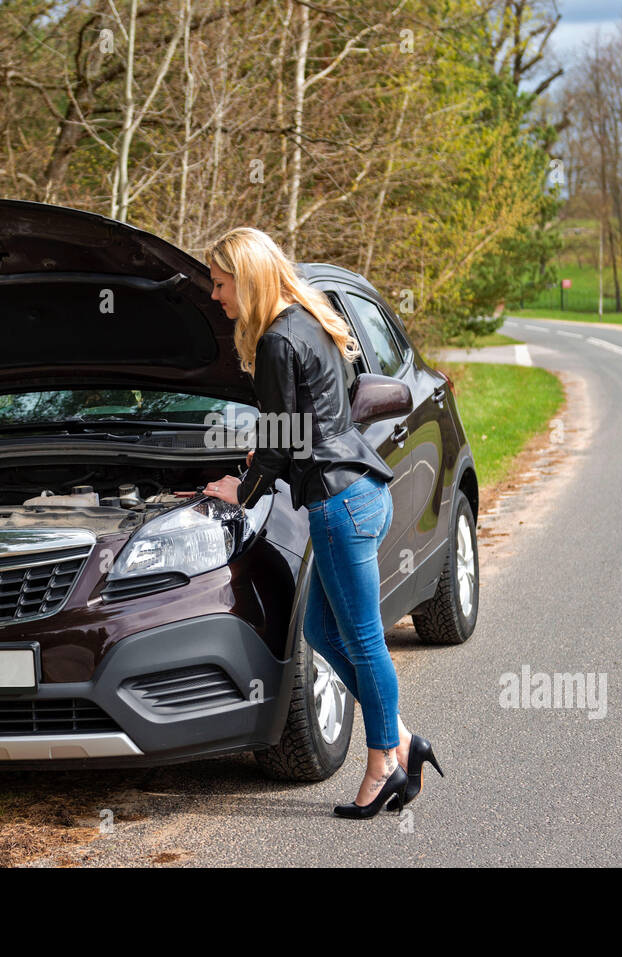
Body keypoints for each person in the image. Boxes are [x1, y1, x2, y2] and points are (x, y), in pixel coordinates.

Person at [200, 226, 443, 819]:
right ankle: (404, 741)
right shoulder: (311, 318)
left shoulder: (281, 341)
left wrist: (242, 486)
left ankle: (383, 760)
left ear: (247, 278)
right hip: (360, 490)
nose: (214, 295)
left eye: (220, 282)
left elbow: (286, 445)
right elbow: (318, 418)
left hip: (338, 506)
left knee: (361, 639)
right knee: (323, 633)